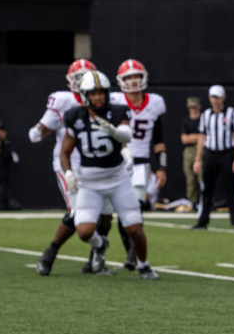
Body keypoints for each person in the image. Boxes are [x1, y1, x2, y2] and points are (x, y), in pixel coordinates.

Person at [59, 70, 159, 280]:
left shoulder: (117, 111)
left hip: (118, 180)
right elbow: (65, 151)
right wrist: (68, 173)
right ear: (85, 95)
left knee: (135, 228)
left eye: (101, 92)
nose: (98, 97)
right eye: (93, 93)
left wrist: (114, 132)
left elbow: (127, 135)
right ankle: (100, 244)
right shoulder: (75, 116)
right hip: (89, 183)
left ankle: (144, 265)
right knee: (84, 232)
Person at [30, 60, 115, 275]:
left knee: (105, 213)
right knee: (78, 212)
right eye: (78, 77)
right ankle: (51, 253)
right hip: (71, 163)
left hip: (99, 163)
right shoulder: (64, 101)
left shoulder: (107, 102)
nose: (82, 81)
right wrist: (39, 129)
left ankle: (94, 260)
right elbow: (44, 128)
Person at [110, 59, 167, 267]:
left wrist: (162, 167)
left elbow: (159, 141)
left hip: (141, 163)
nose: (133, 81)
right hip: (118, 162)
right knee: (121, 212)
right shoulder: (115, 101)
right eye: (129, 77)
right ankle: (130, 251)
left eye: (136, 76)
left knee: (136, 209)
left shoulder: (154, 103)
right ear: (121, 81)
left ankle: (133, 253)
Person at [192, 84, 234, 231]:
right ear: (209, 98)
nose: (215, 100)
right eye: (213, 97)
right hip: (210, 154)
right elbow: (202, 138)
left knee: (231, 188)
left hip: (226, 154)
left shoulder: (231, 113)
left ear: (223, 98)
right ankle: (202, 221)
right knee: (206, 188)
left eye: (217, 97)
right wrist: (197, 159)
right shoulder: (206, 115)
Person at [180, 96, 202, 210]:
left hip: (202, 150)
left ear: (199, 107)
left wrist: (194, 137)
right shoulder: (186, 122)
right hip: (189, 151)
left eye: (194, 107)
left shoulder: (204, 120)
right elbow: (184, 139)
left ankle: (204, 201)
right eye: (190, 108)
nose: (192, 110)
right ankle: (192, 202)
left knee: (202, 177)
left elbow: (206, 138)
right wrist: (199, 137)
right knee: (190, 178)